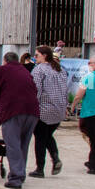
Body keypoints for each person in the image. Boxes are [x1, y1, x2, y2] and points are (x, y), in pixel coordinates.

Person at [0, 52, 40, 189]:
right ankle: (20, 174)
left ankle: (16, 178)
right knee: (22, 145)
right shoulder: (24, 71)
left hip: (13, 111)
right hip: (32, 112)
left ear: (5, 60)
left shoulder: (3, 70)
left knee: (12, 145)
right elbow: (34, 90)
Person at [29, 45, 66, 177]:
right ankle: (55, 158)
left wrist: (31, 106)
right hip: (59, 109)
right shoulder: (60, 69)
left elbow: (36, 90)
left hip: (44, 109)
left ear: (44, 55)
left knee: (40, 138)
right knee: (47, 136)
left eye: (37, 55)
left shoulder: (39, 70)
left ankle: (40, 168)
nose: (35, 57)